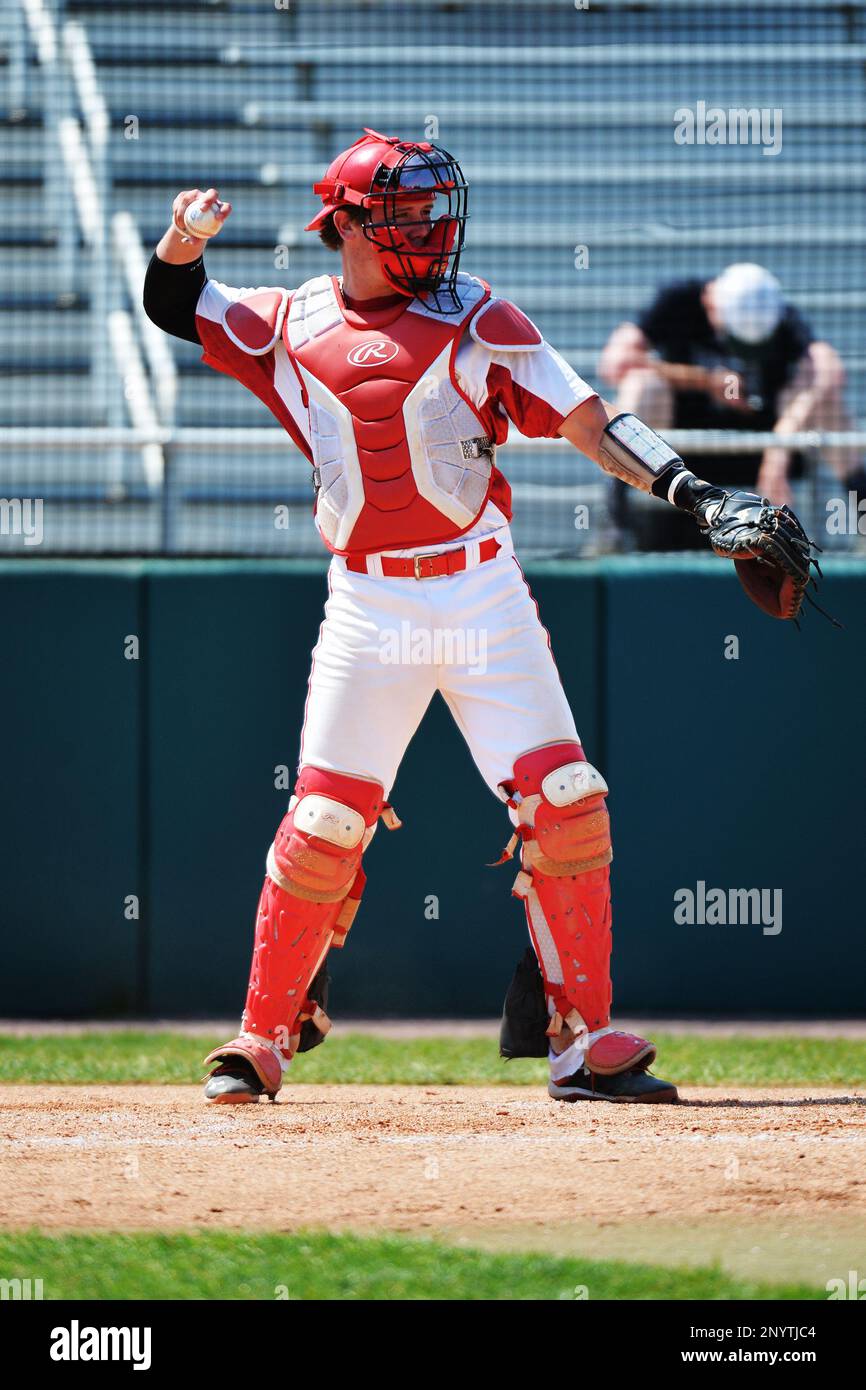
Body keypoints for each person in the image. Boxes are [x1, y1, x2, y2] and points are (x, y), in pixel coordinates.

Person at [143, 130, 781, 1108]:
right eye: (406, 214)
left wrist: (689, 488)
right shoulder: (287, 322)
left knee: (564, 801)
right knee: (322, 817)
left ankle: (584, 1040)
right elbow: (175, 304)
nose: (432, 230)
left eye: (435, 210)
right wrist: (182, 239)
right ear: (346, 224)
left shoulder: (476, 314)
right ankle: (259, 1037)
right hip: (368, 595)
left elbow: (585, 418)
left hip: (481, 587)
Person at [599, 263, 866, 550]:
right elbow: (614, 363)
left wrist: (780, 444)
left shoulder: (778, 317)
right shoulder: (678, 302)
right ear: (713, 309)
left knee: (828, 405)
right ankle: (613, 526)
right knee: (642, 386)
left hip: (761, 456)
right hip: (681, 458)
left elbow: (830, 370)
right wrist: (706, 381)